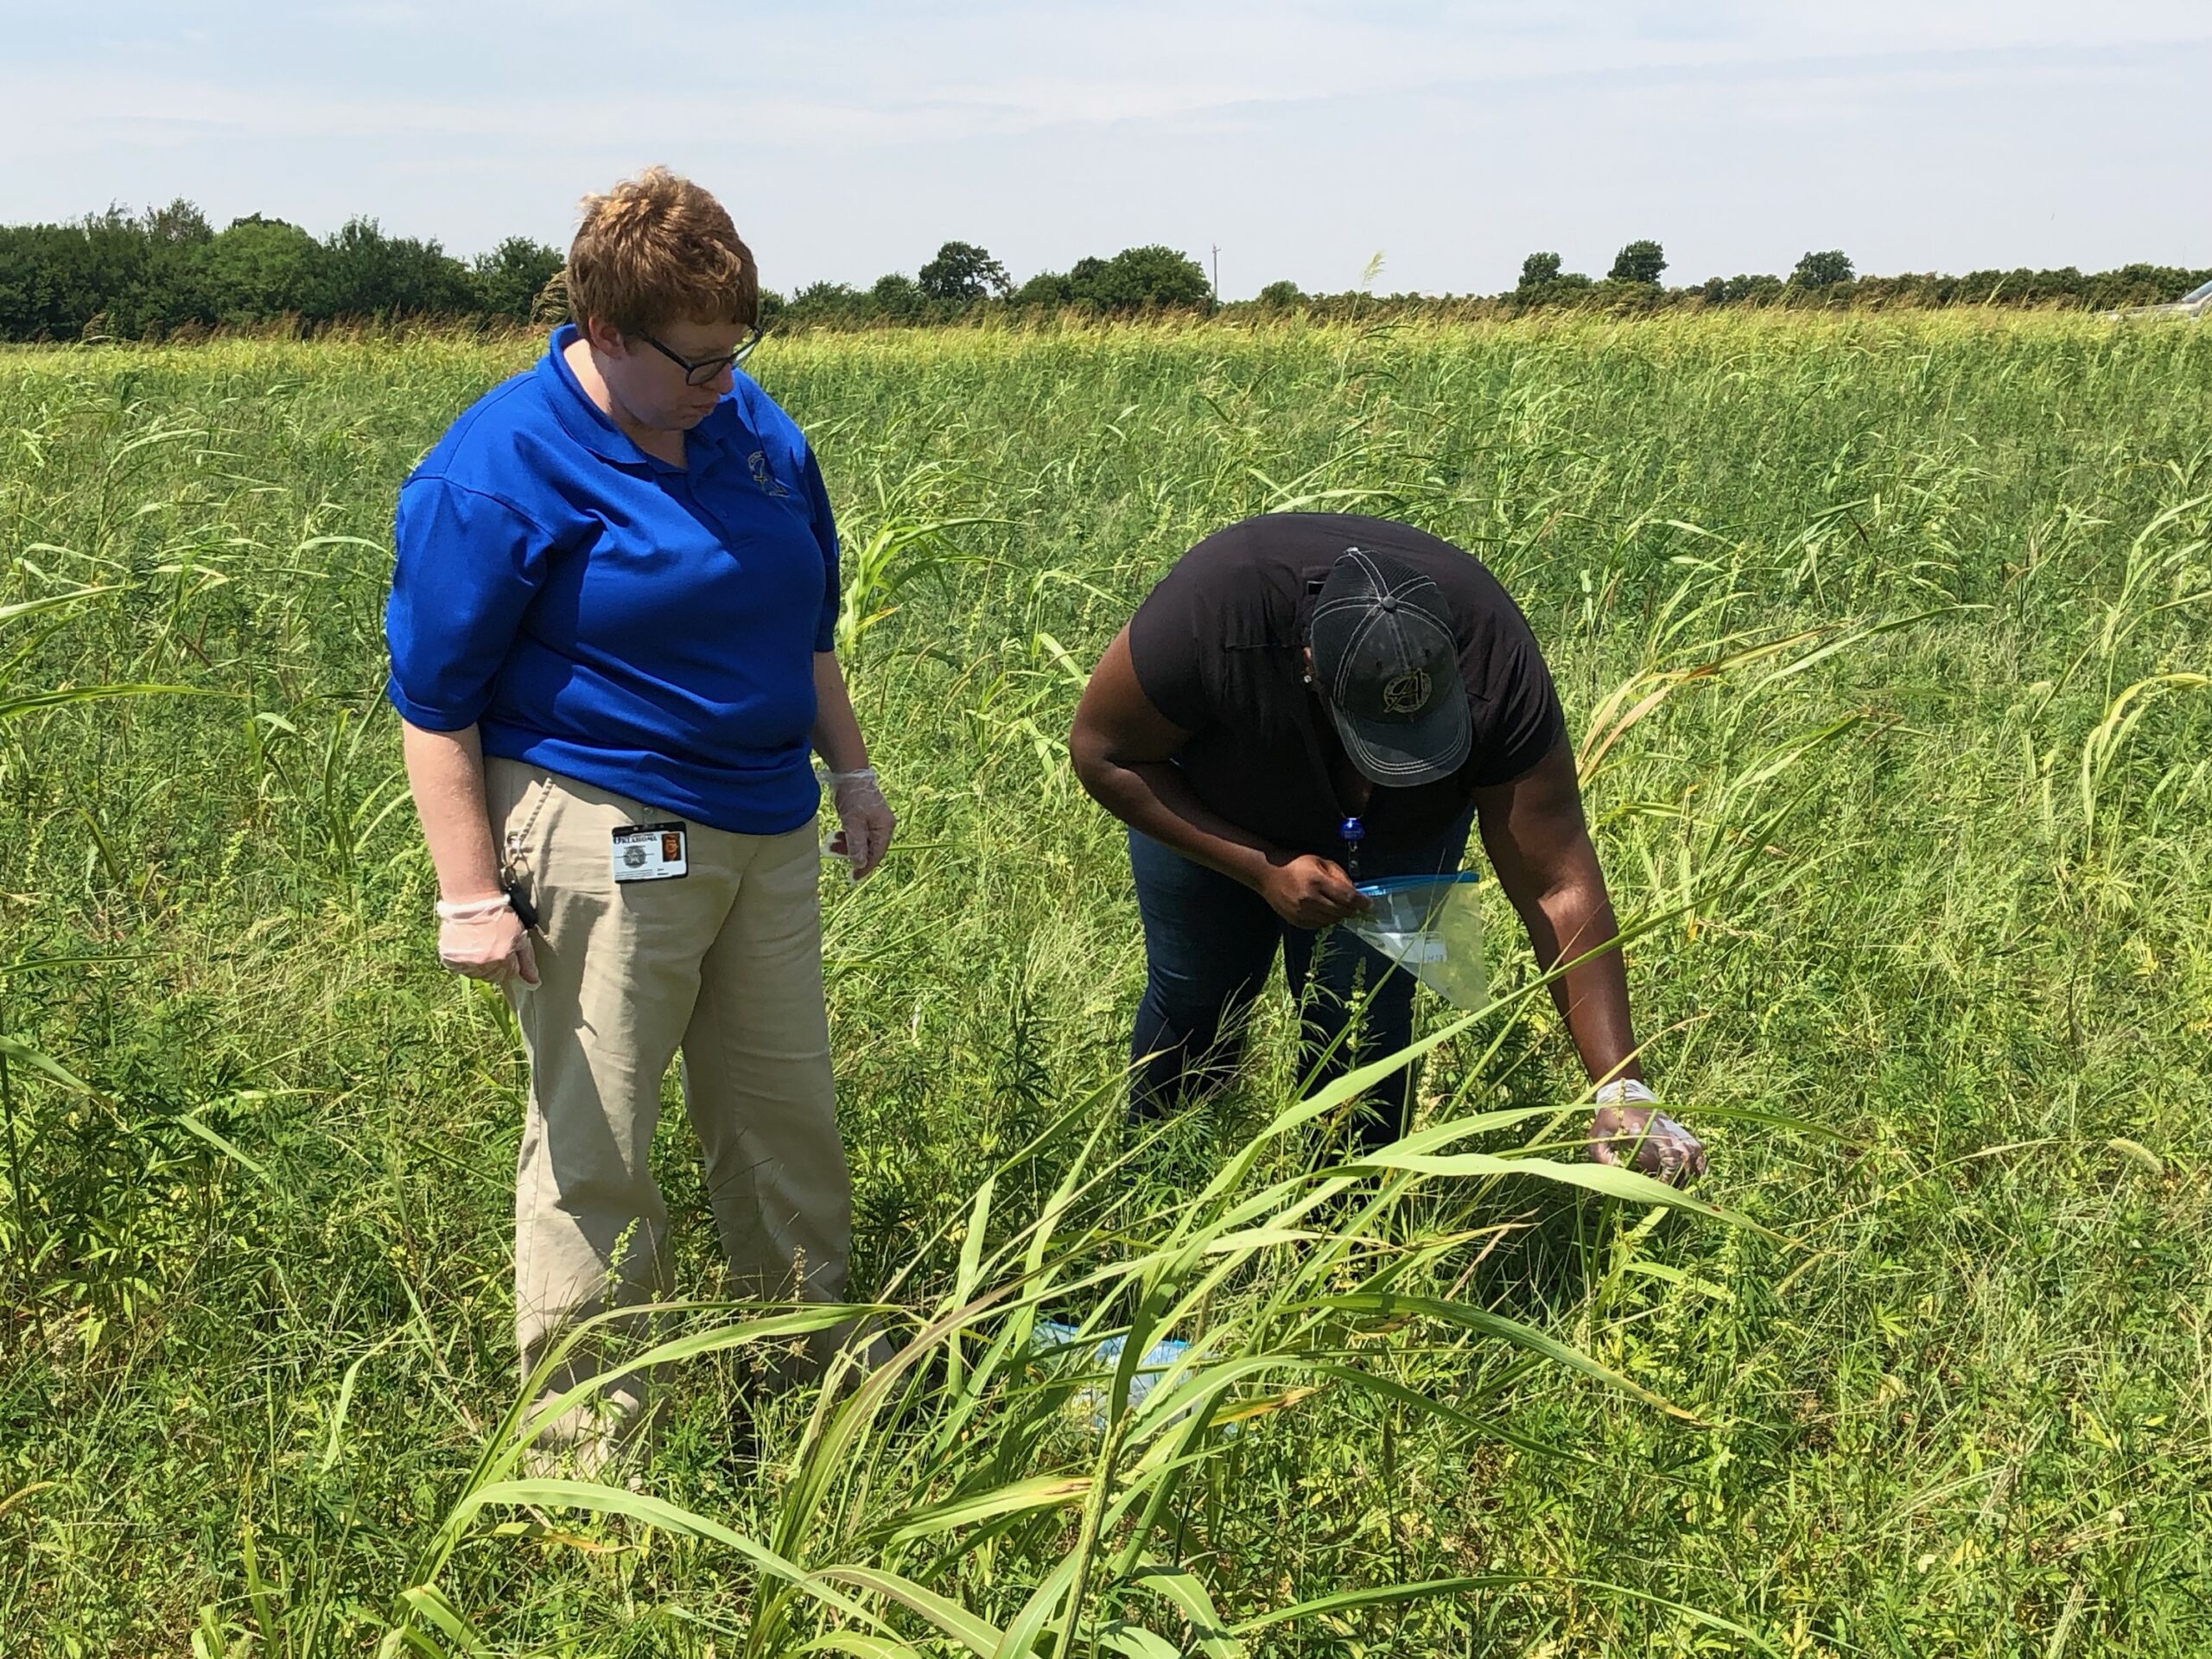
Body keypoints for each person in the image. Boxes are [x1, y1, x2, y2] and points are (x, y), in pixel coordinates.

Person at [385, 168, 894, 1464]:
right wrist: (467, 896)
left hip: (767, 825)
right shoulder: (497, 468)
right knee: (598, 1132)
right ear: (604, 330)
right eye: (698, 359)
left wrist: (853, 768)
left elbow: (805, 624)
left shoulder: (754, 433)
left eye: (741, 351)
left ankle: (808, 1377)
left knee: (784, 1116)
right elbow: (433, 702)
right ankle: (588, 1446)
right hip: (606, 828)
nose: (726, 381)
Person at [1068, 513, 1704, 1182]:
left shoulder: (1495, 665)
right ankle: (1155, 1195)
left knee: (1363, 1023)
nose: (1378, 777)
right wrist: (1259, 868)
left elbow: (1558, 882)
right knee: (1199, 999)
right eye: (1372, 739)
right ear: (1309, 666)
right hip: (1211, 809)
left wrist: (1622, 1090)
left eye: (1420, 741)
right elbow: (1103, 753)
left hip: (1404, 837)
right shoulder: (1219, 607)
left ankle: (1347, 1235)